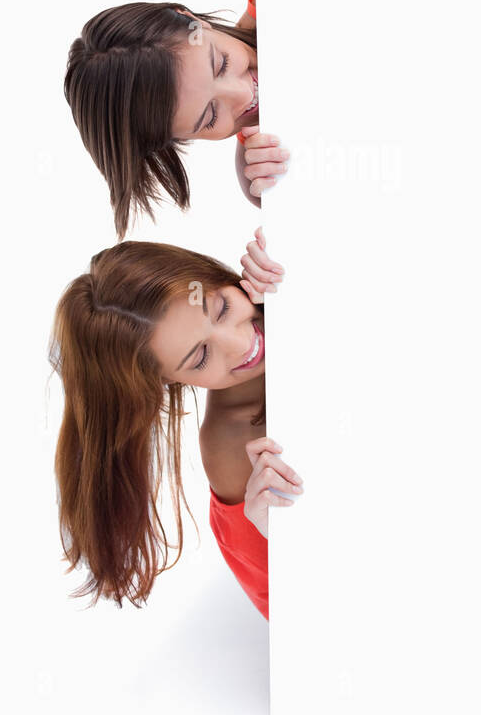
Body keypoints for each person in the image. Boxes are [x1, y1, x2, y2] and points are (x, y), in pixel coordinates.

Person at [49, 228, 302, 620]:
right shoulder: (231, 450)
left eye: (220, 308)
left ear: (216, 276)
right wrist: (283, 535)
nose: (241, 343)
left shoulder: (277, 279)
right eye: (200, 358)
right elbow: (288, 613)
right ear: (169, 382)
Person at [64, 0, 290, 238]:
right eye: (210, 118)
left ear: (191, 19)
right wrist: (258, 178)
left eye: (220, 64)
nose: (243, 93)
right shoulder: (256, 133)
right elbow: (259, 178)